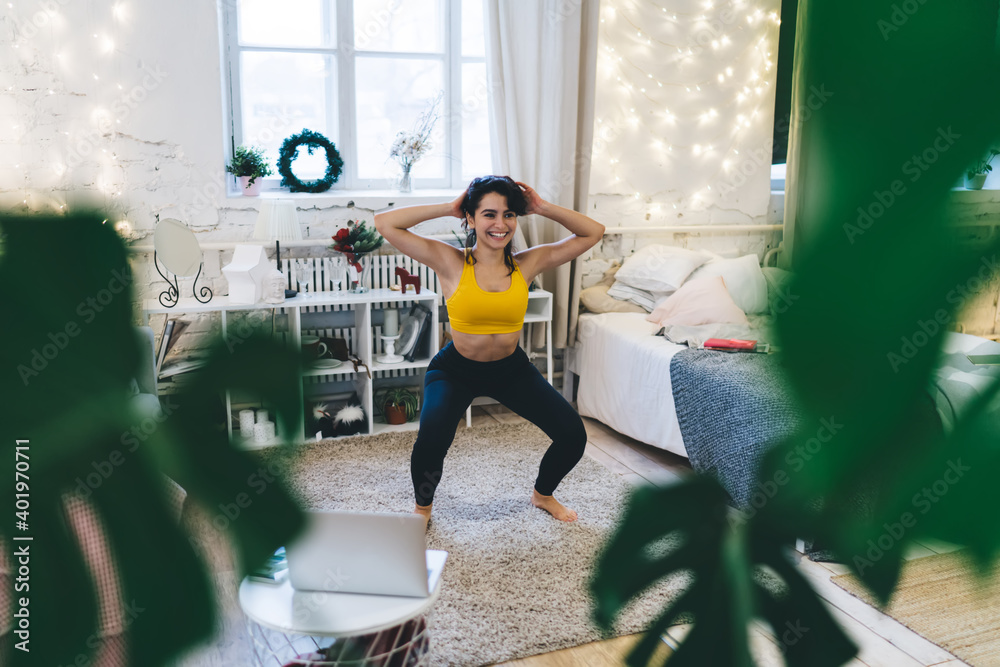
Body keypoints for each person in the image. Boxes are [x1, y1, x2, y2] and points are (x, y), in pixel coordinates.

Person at [374, 175, 605, 523]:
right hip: (455, 371)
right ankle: (422, 509)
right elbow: (385, 223)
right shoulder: (450, 260)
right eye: (489, 214)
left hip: (511, 370)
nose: (500, 224)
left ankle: (543, 495)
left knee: (572, 435)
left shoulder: (528, 263)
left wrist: (541, 207)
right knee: (432, 437)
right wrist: (450, 207)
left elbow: (593, 232)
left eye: (509, 214)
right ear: (470, 218)